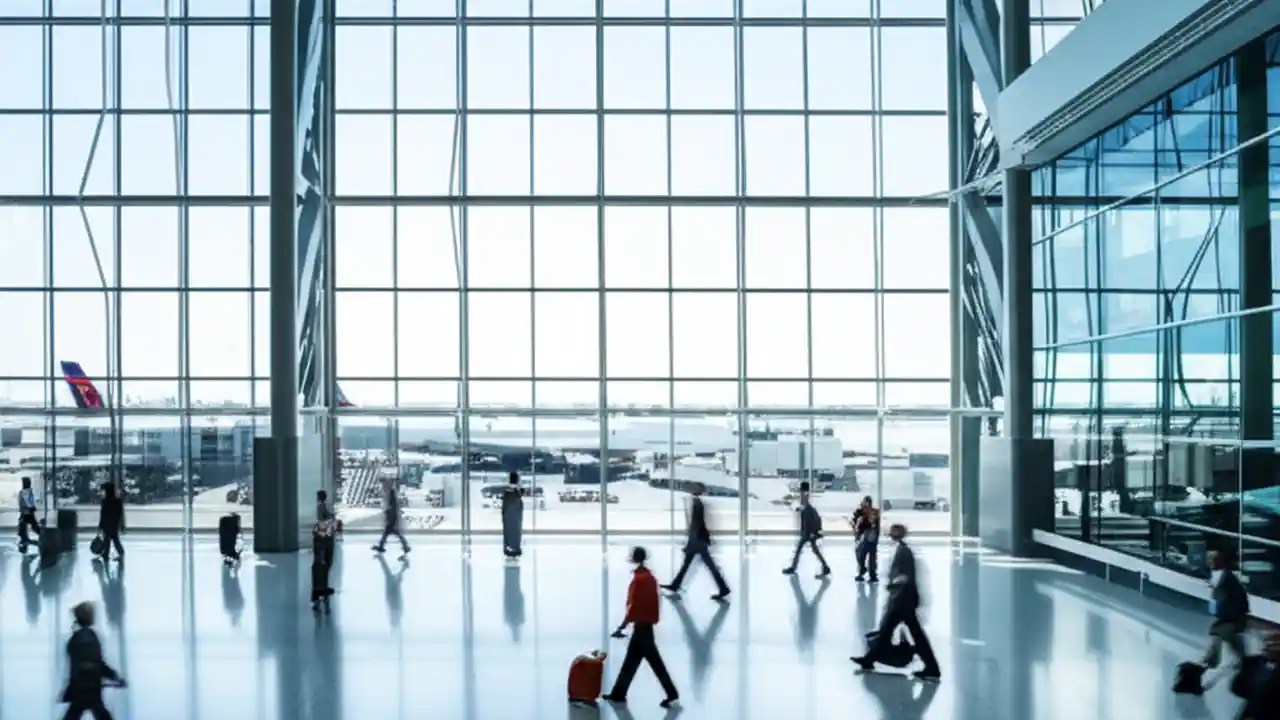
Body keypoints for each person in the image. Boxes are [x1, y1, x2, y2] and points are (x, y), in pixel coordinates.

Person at [852, 523, 941, 682]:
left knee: (908, 633)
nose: (891, 533)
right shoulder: (901, 549)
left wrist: (893, 586)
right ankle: (869, 660)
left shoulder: (904, 551)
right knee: (888, 631)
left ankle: (931, 667)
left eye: (895, 530)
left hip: (903, 599)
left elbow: (904, 577)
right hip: (902, 598)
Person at [602, 546, 680, 709]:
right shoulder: (650, 577)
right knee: (631, 661)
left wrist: (622, 626)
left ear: (634, 559)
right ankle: (618, 693)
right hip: (645, 625)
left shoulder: (640, 580)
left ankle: (671, 693)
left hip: (642, 627)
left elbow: (634, 606)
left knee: (654, 662)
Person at [662, 483, 730, 601]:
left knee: (704, 565)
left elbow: (696, 524)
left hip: (697, 540)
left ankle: (676, 585)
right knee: (694, 565)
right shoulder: (697, 502)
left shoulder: (697, 503)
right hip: (697, 540)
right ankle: (675, 585)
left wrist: (691, 541)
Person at [61, 601, 125, 719]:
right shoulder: (91, 637)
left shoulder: (74, 638)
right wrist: (114, 677)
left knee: (74, 713)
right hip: (91, 689)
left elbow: (79, 663)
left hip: (79, 689)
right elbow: (98, 664)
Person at [1199, 549, 1249, 672]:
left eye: (1212, 559)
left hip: (1231, 616)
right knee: (1233, 640)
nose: (1209, 561)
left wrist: (1227, 615)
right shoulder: (1219, 577)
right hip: (1228, 616)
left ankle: (1210, 660)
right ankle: (1244, 661)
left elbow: (1238, 599)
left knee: (1217, 633)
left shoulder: (1229, 579)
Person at [782, 481, 830, 578]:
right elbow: (803, 508)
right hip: (808, 528)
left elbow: (805, 509)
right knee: (812, 549)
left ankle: (794, 567)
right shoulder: (806, 496)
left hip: (809, 529)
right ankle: (825, 567)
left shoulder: (805, 496)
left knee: (804, 548)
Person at [372, 476, 410, 557]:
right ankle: (405, 547)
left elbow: (393, 506)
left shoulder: (391, 492)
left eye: (385, 484)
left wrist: (389, 514)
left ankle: (382, 547)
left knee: (390, 532)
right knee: (394, 533)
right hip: (392, 516)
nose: (384, 485)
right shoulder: (390, 492)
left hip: (392, 517)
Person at [312, 490, 337, 609]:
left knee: (321, 564)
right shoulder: (322, 507)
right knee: (326, 563)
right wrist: (332, 517)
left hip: (321, 537)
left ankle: (320, 588)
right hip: (324, 538)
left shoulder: (320, 507)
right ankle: (323, 588)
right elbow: (327, 519)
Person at [850, 495, 880, 582]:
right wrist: (855, 522)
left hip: (871, 538)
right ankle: (862, 571)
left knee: (872, 557)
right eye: (864, 504)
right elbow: (855, 520)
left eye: (867, 504)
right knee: (860, 554)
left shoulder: (874, 512)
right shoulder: (860, 511)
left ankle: (872, 575)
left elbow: (873, 525)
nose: (865, 506)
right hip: (863, 538)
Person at [97, 483, 125, 563]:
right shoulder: (117, 501)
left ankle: (107, 553)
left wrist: (100, 525)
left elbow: (102, 514)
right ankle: (120, 553)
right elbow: (119, 513)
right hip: (114, 523)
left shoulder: (105, 501)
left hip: (106, 523)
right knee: (115, 539)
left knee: (108, 539)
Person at [501, 471, 524, 558]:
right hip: (516, 516)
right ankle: (515, 548)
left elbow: (504, 506)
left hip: (508, 516)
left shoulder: (508, 492)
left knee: (508, 532)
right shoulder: (517, 492)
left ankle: (508, 547)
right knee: (516, 531)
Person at [17, 476, 41, 549]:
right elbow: (28, 502)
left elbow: (27, 502)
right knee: (32, 525)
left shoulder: (25, 491)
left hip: (26, 512)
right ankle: (24, 538)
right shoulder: (25, 491)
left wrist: (31, 506)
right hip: (27, 512)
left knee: (30, 525)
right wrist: (32, 506)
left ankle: (24, 539)